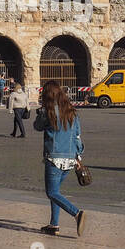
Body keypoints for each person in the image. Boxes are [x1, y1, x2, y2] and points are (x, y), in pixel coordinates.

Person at [33, 80, 87, 237]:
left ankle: (77, 214)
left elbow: (37, 126)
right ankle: (54, 224)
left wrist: (40, 113)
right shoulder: (72, 112)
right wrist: (78, 157)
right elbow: (77, 137)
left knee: (52, 192)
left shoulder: (49, 113)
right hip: (70, 159)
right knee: (56, 192)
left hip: (54, 159)